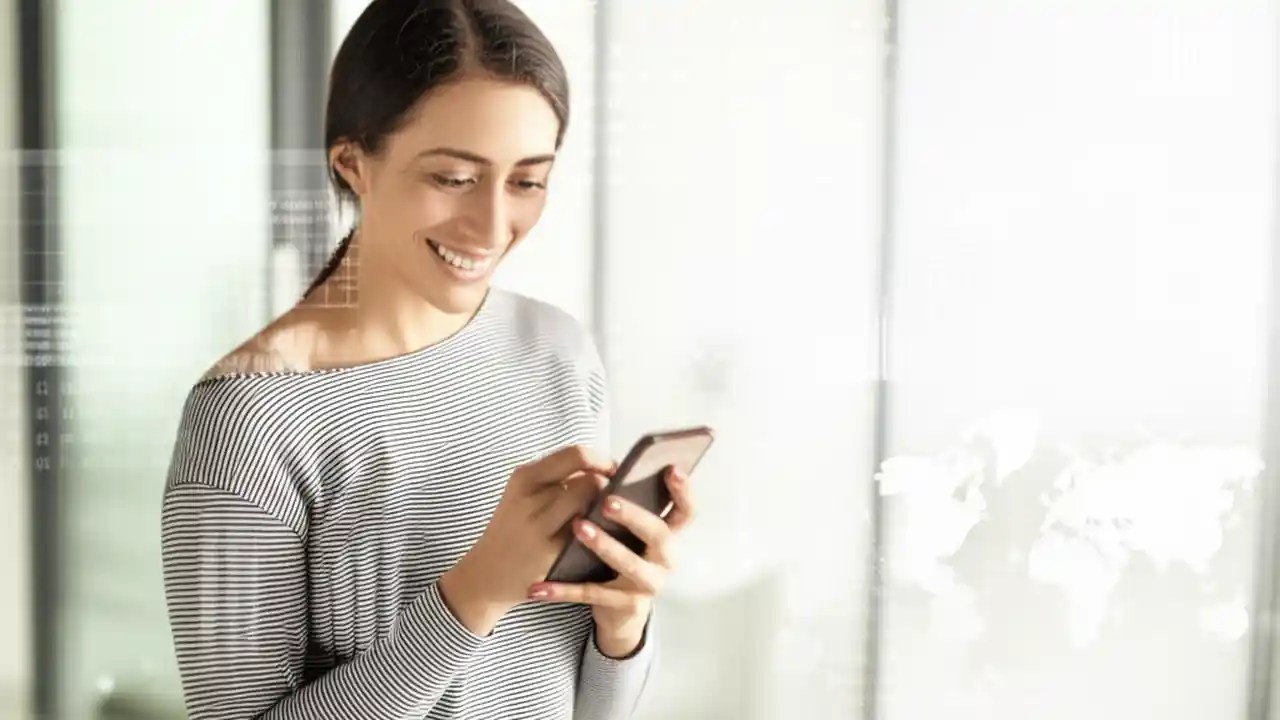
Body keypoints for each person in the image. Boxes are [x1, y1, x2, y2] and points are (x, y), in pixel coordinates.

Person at [158, 1, 697, 717]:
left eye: (527, 181)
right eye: (452, 178)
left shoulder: (560, 354)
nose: (493, 225)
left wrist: (622, 626)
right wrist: (473, 594)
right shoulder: (250, 421)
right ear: (353, 163)